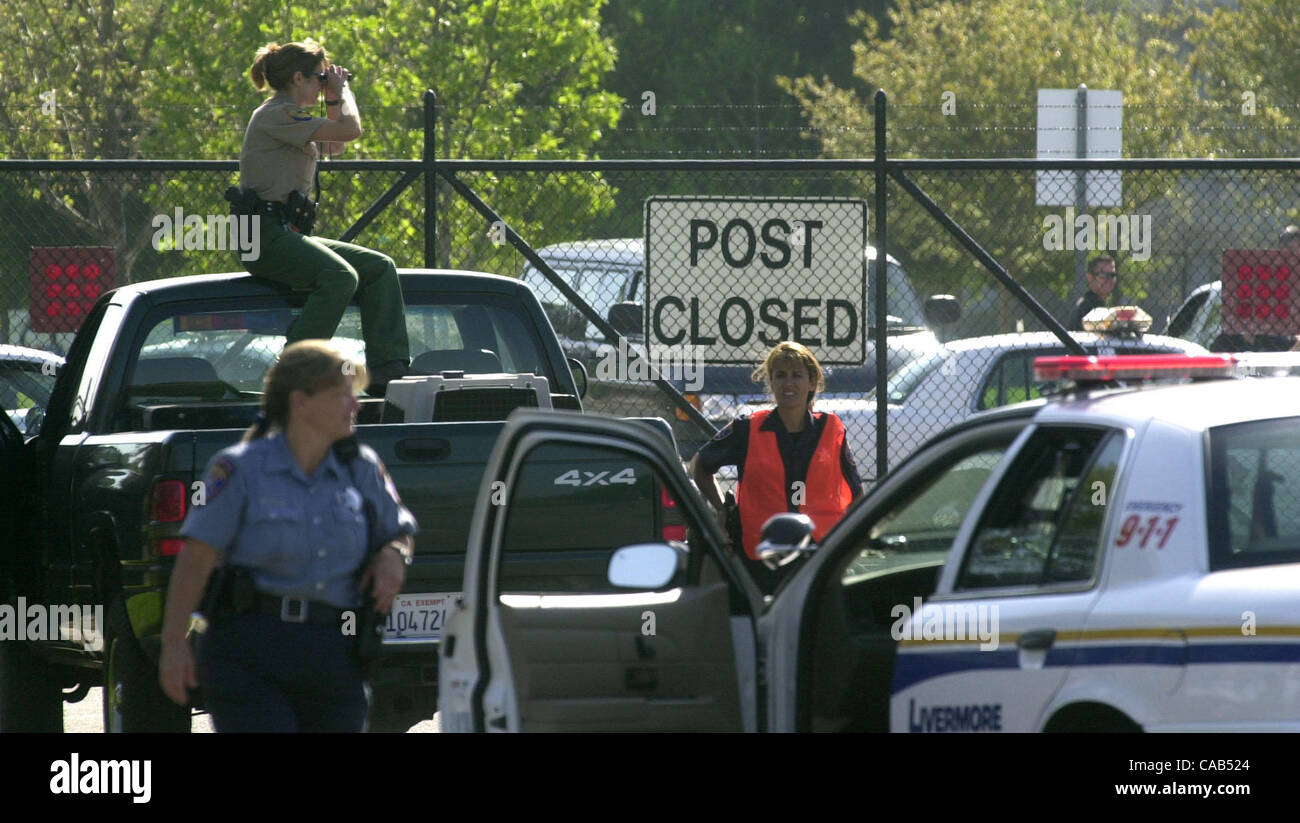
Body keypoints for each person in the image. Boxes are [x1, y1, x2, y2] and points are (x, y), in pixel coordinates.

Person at [158, 340, 417, 732]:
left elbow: (398, 531)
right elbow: (196, 561)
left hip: (335, 650)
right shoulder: (239, 469)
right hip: (250, 651)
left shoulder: (360, 467)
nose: (356, 405)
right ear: (301, 402)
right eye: (342, 396)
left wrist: (395, 554)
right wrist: (175, 644)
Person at [235, 39, 410, 396]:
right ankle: (293, 370)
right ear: (298, 78)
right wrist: (342, 89)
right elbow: (350, 130)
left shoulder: (293, 118)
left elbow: (336, 145)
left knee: (379, 268)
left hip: (283, 231)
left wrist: (333, 97)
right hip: (260, 234)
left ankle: (387, 370)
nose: (324, 82)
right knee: (339, 276)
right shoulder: (277, 113)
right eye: (319, 77)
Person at [692, 342, 863, 592]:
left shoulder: (832, 428)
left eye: (797, 375)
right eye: (780, 376)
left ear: (812, 382)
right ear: (771, 383)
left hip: (819, 555)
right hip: (761, 557)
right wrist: (721, 510)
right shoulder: (746, 429)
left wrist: (849, 543)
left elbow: (856, 494)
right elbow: (701, 466)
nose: (788, 383)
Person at [1067, 254, 1117, 331]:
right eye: (1103, 275)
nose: (1109, 279)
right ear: (1090, 278)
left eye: (1113, 275)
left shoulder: (1098, 303)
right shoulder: (1088, 307)